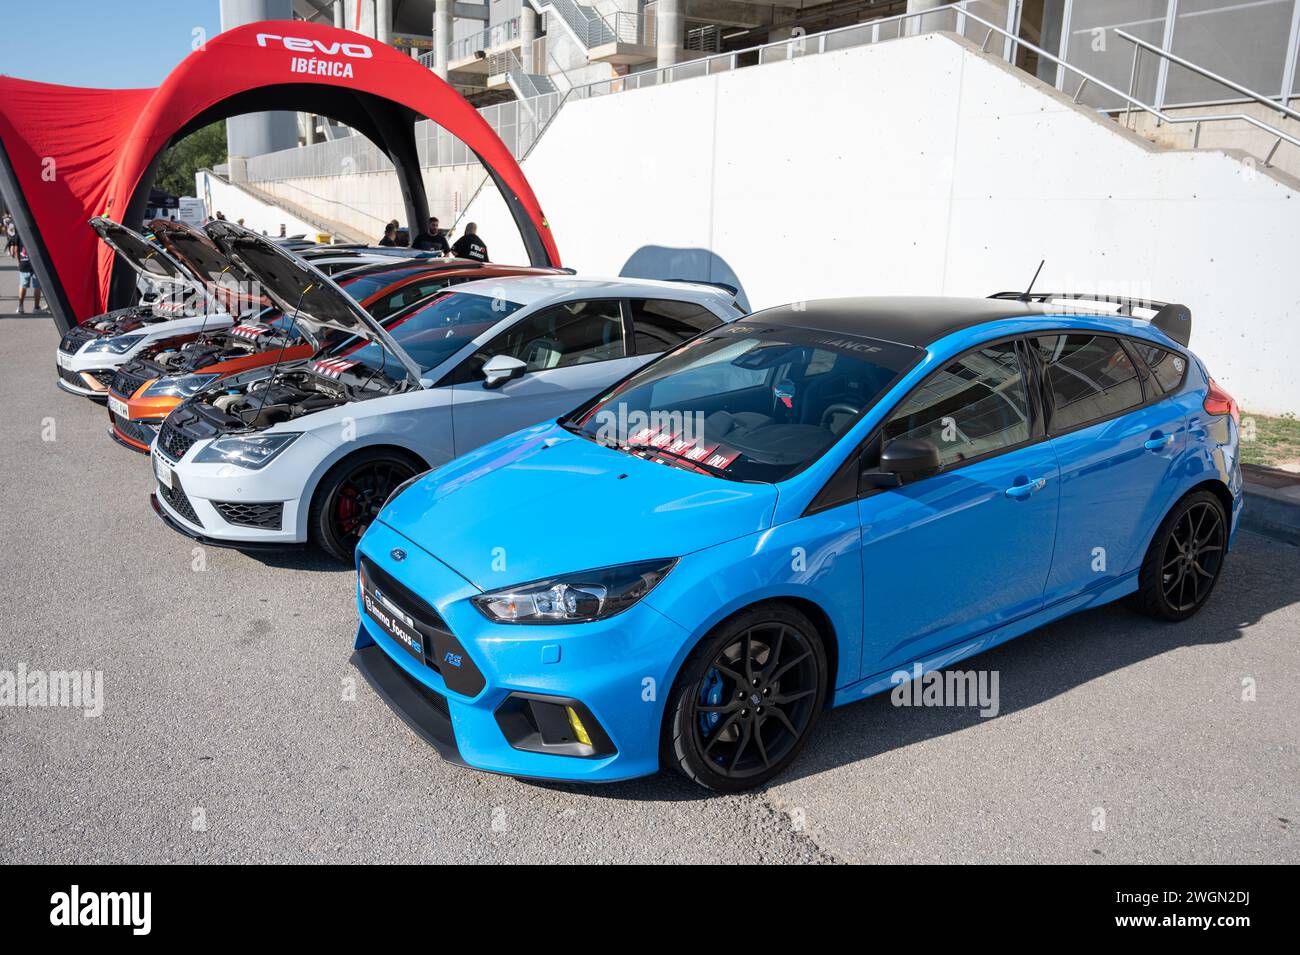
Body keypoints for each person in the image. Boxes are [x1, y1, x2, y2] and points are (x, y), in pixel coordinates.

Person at [16, 240, 43, 313]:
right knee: (37, 287)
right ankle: (36, 308)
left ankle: (20, 307)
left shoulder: (19, 232)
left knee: (23, 286)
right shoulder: (36, 231)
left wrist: (18, 262)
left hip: (24, 263)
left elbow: (16, 249)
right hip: (36, 264)